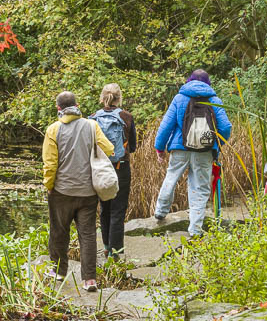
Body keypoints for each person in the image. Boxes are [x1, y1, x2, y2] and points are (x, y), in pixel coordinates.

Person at [42, 90, 114, 292]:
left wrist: (49, 186)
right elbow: (108, 149)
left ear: (58, 108)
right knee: (88, 234)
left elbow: (50, 164)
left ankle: (58, 271)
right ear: (77, 105)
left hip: (62, 192)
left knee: (59, 231)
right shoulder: (92, 126)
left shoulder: (53, 129)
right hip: (88, 193)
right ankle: (89, 279)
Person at [152, 70, 233, 237]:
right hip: (204, 151)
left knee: (171, 177)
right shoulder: (214, 100)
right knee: (200, 188)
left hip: (180, 148)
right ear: (207, 82)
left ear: (189, 80)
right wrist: (216, 144)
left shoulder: (179, 98)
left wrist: (160, 147)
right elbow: (226, 127)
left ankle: (160, 211)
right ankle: (195, 229)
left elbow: (166, 125)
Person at [90, 83, 136, 260]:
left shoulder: (93, 118)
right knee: (118, 209)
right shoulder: (127, 117)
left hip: (100, 168)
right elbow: (132, 147)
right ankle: (116, 253)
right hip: (120, 168)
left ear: (102, 98)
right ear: (119, 98)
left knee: (104, 208)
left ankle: (107, 248)